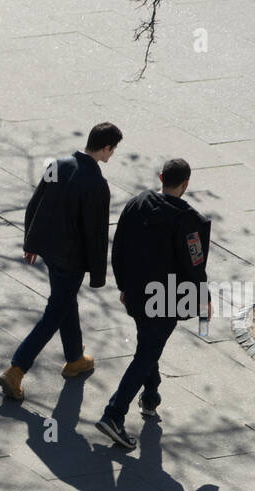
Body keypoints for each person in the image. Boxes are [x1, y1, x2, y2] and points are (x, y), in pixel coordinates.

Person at [0, 122, 122, 401]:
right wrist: (98, 275)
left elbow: (36, 203)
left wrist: (30, 242)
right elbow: (96, 234)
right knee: (55, 311)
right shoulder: (97, 184)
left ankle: (75, 358)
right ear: (105, 148)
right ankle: (16, 369)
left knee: (65, 302)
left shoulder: (59, 164)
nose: (112, 154)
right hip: (71, 260)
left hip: (49, 251)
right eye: (112, 150)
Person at [95, 158, 211, 449]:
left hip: (135, 294)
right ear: (186, 184)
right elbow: (195, 267)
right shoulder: (190, 221)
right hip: (165, 299)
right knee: (147, 353)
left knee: (149, 343)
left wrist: (123, 285)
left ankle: (150, 397)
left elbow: (118, 246)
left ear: (160, 177)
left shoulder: (136, 204)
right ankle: (114, 414)